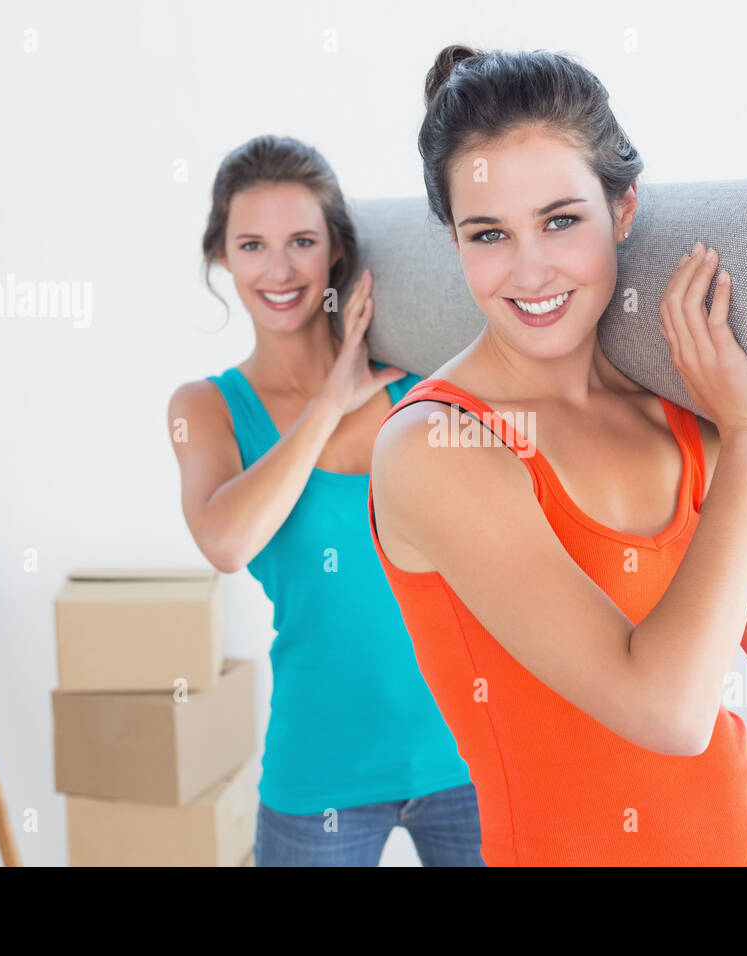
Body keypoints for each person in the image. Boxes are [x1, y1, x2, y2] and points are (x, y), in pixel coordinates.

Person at [368, 47, 747, 865]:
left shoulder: (681, 415)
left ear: (623, 210)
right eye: (489, 234)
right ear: (452, 240)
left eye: (561, 220)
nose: (530, 270)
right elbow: (670, 713)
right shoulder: (436, 448)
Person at [168, 135, 483, 866]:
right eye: (252, 245)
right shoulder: (208, 408)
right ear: (220, 255)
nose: (278, 271)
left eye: (301, 242)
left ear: (336, 250)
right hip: (321, 770)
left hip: (466, 752)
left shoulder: (417, 382)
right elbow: (226, 543)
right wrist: (329, 403)